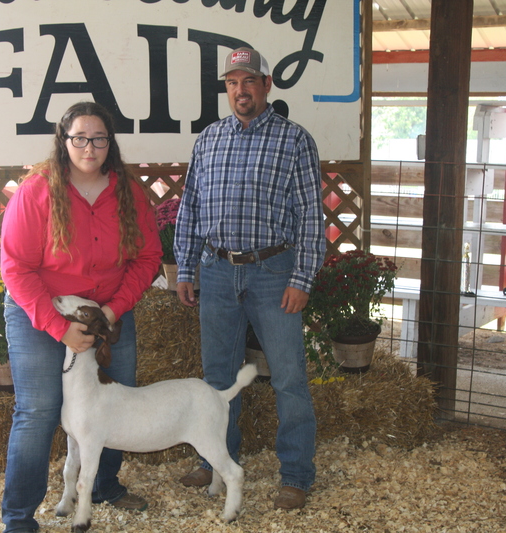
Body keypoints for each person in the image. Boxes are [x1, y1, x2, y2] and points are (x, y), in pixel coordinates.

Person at [0, 101, 162, 533]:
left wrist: (110, 312)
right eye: (79, 138)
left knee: (118, 398)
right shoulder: (37, 190)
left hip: (107, 311)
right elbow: (15, 266)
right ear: (64, 140)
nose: (89, 147)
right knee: (38, 410)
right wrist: (60, 328)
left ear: (111, 142)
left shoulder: (128, 189)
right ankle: (18, 517)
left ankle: (105, 484)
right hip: (41, 309)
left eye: (99, 138)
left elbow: (148, 258)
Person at [173, 47, 325, 510]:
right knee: (218, 377)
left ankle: (296, 474)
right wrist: (186, 266)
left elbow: (310, 218)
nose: (240, 90)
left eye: (249, 81)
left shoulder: (294, 140)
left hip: (273, 273)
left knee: (288, 378)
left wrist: (302, 278)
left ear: (267, 85)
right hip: (218, 272)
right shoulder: (209, 139)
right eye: (232, 83)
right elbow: (191, 208)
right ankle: (217, 462)